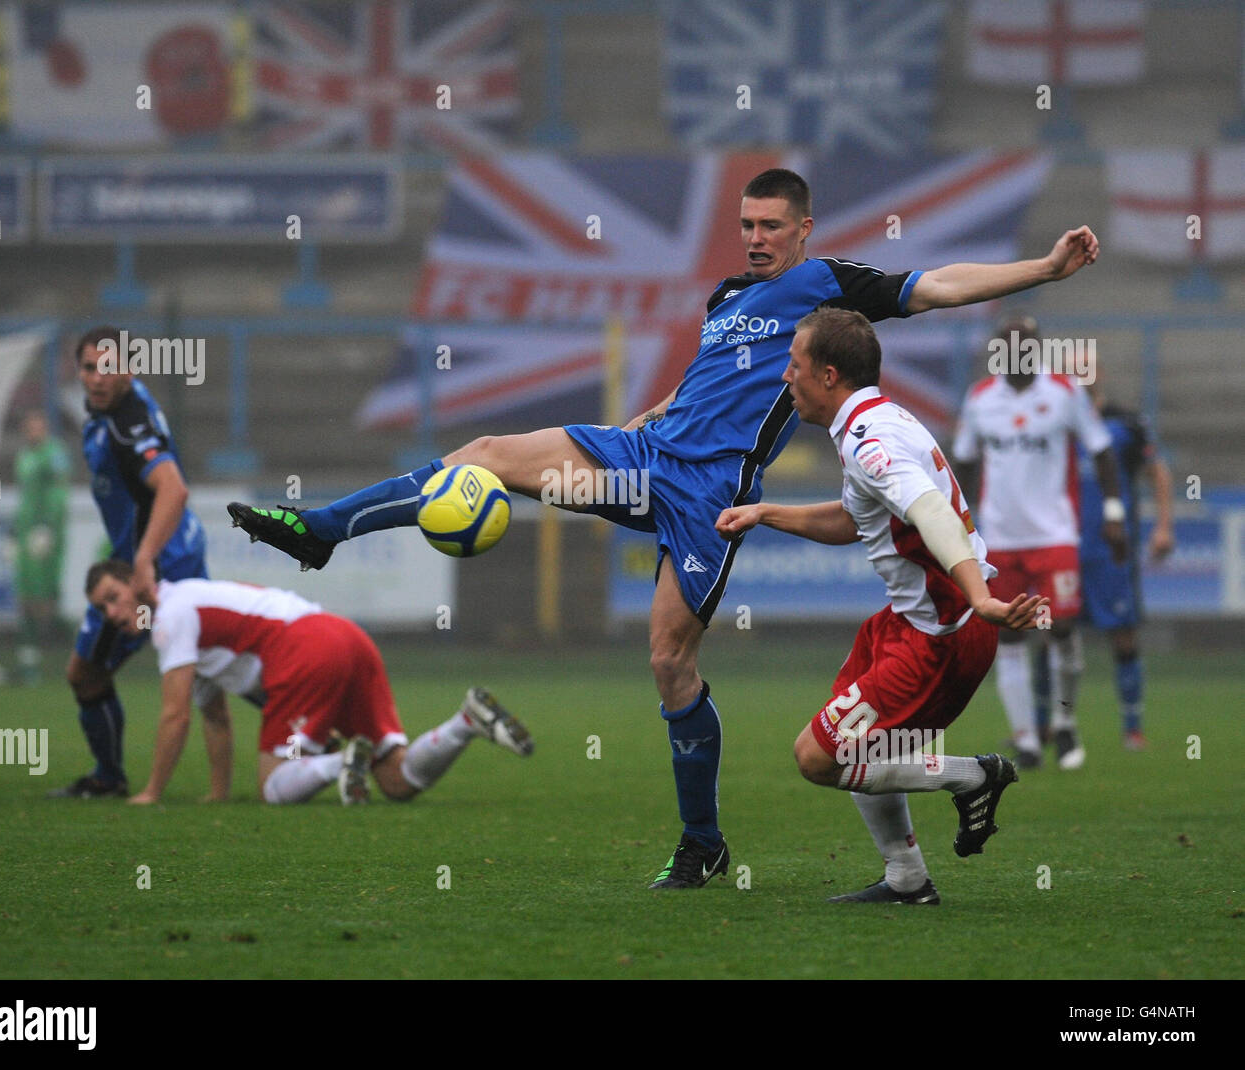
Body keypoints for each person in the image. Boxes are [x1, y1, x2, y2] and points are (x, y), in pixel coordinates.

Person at [228, 168, 1100, 888]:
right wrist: (647, 419)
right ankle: (323, 530)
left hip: (707, 498)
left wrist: (1045, 271)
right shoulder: (725, 295)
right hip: (643, 457)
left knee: (668, 660)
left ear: (803, 229)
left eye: (770, 225)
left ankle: (704, 844)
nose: (755, 237)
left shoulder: (829, 286)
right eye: (746, 223)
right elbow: (700, 388)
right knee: (486, 451)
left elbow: (940, 286)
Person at [716, 308, 1045, 904]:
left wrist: (979, 595)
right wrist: (765, 514)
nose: (785, 377)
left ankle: (973, 775)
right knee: (860, 747)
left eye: (795, 366)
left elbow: (931, 512)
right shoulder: (874, 419)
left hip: (942, 637)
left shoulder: (873, 441)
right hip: (906, 623)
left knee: (818, 757)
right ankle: (907, 879)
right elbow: (853, 519)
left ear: (829, 375)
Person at [82, 559, 534, 805]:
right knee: (396, 781)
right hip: (346, 637)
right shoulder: (191, 615)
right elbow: (214, 717)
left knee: (271, 788)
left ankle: (342, 764)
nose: (113, 615)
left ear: (138, 583)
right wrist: (218, 794)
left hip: (304, 649)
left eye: (113, 598)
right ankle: (465, 723)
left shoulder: (171, 616)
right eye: (102, 610)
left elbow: (174, 714)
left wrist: (150, 793)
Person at [950, 315, 1126, 771]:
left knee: (1061, 629)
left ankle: (1065, 724)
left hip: (1053, 535)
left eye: (1023, 346)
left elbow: (1101, 448)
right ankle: (1027, 740)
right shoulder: (980, 399)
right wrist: (959, 527)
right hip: (1001, 539)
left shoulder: (1064, 393)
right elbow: (964, 462)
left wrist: (1113, 511)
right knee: (1008, 636)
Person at [48, 326, 208, 799]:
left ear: (130, 370)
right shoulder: (113, 407)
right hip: (164, 557)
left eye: (108, 367)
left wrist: (143, 562)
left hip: (157, 569)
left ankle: (110, 778)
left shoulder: (125, 423)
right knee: (218, 667)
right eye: (88, 367)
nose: (96, 378)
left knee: (86, 671)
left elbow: (174, 488)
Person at [1076, 375, 1174, 750]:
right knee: (1050, 632)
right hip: (1060, 543)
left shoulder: (1127, 423)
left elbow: (1158, 471)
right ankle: (1043, 728)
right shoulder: (1053, 420)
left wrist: (1163, 526)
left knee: (1123, 632)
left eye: (1083, 368)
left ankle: (1133, 729)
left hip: (1111, 548)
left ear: (1098, 374)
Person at [12, 410, 71, 684]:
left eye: (38, 426)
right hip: (25, 534)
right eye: (29, 426)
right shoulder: (24, 456)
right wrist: (14, 531)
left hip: (44, 534)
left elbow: (59, 491)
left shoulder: (54, 454)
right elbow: (24, 496)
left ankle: (66, 654)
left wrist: (47, 527)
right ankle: (28, 663)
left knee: (43, 597)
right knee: (25, 596)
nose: (32, 431)